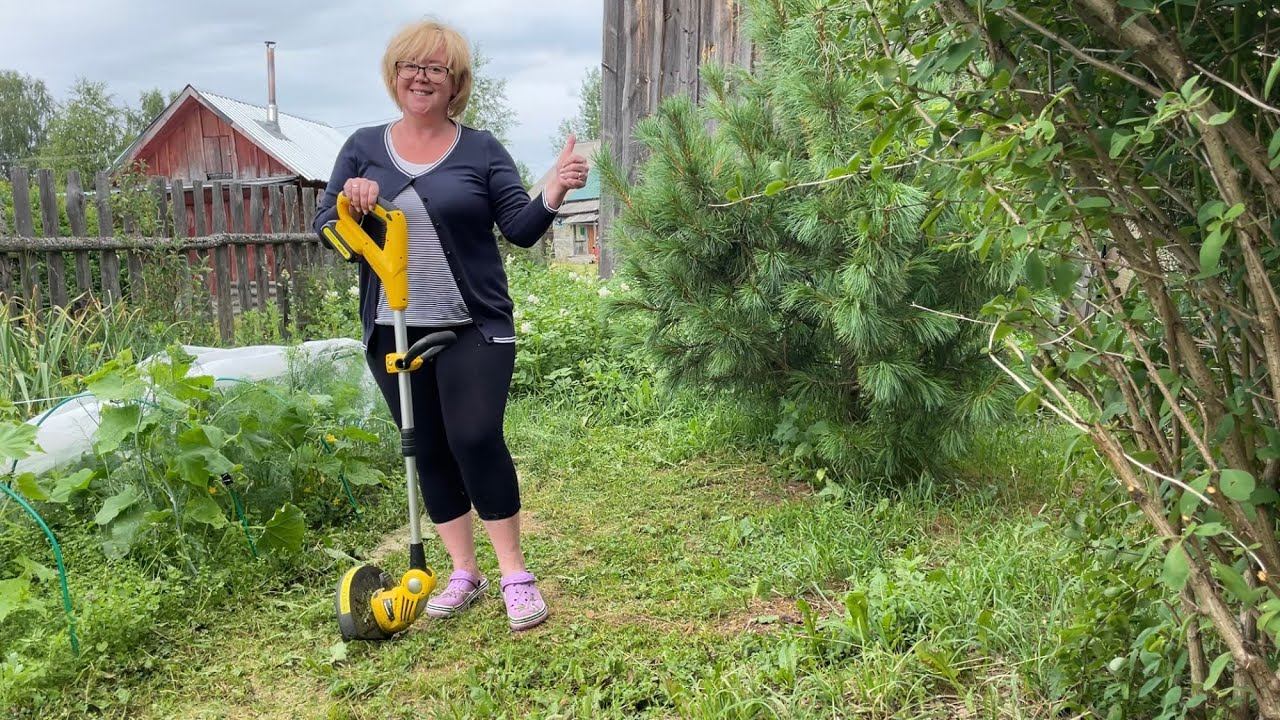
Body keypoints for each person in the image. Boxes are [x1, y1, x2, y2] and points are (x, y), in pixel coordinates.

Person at [313, 18, 588, 631]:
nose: (422, 77)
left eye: (435, 68)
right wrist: (350, 206)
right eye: (411, 66)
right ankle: (464, 572)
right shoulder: (362, 146)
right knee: (428, 448)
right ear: (394, 75)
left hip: (473, 325)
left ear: (455, 81)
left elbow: (519, 229)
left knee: (475, 437)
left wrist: (552, 190)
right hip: (392, 327)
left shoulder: (481, 149)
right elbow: (326, 225)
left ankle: (515, 574)